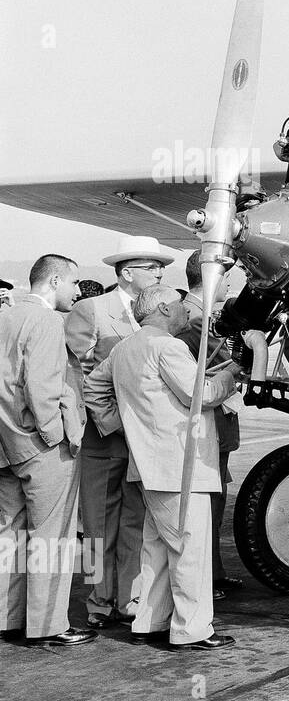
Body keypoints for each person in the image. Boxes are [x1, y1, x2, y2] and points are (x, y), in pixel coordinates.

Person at [82, 284, 240, 651]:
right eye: (181, 306)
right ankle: (192, 629)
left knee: (156, 548)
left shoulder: (125, 347)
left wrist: (124, 426)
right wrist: (232, 374)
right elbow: (200, 394)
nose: (187, 312)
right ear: (166, 309)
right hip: (180, 466)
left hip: (149, 465)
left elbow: (92, 386)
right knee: (190, 549)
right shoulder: (167, 346)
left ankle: (149, 621)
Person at [64, 234, 174, 629]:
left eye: (161, 265)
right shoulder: (91, 310)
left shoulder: (161, 313)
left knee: (134, 523)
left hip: (142, 441)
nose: (160, 271)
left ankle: (129, 600)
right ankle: (98, 602)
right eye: (151, 266)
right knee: (97, 528)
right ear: (127, 273)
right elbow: (76, 375)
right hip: (103, 438)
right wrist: (110, 423)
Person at [0, 255, 94, 647]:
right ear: (54, 280)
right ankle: (48, 625)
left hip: (6, 444)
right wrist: (56, 435)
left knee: (10, 535)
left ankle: (7, 617)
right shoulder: (44, 321)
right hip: (39, 446)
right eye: (73, 283)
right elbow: (42, 388)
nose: (76, 291)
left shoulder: (6, 316)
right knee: (51, 538)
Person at [177, 251, 242, 596]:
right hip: (208, 424)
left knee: (215, 502)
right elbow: (230, 367)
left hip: (217, 424)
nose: (230, 282)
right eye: (225, 274)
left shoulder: (202, 315)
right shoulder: (196, 319)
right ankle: (204, 578)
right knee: (206, 503)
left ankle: (213, 574)